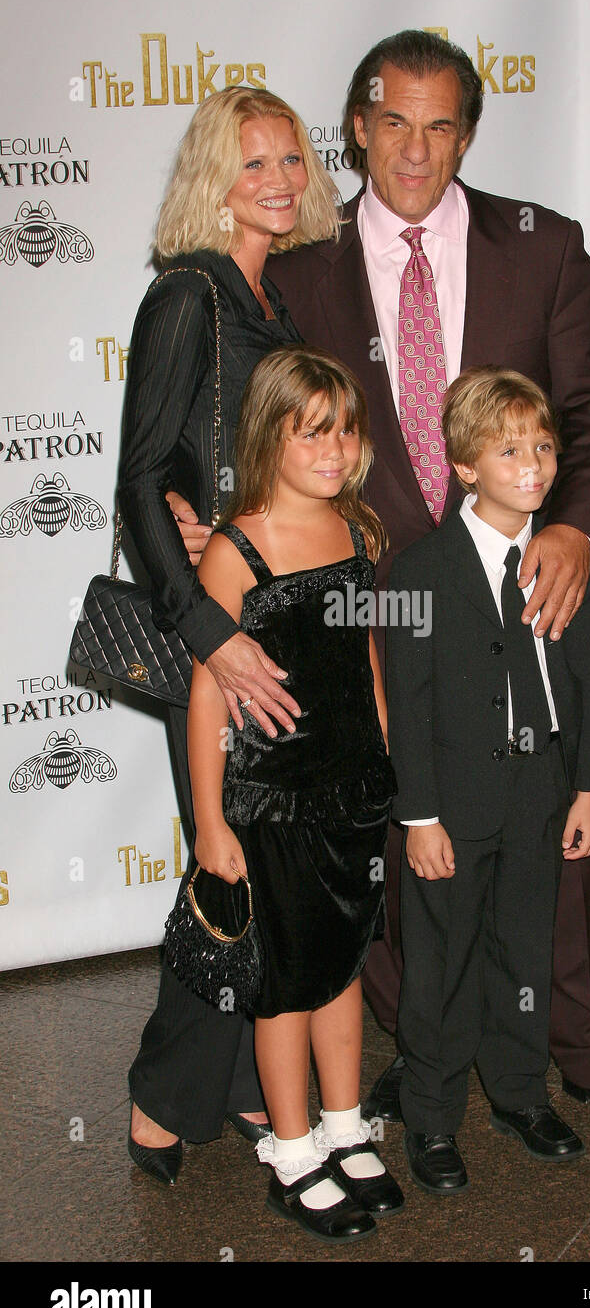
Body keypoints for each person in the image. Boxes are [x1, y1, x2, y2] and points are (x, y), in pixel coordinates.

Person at [265, 29, 590, 1150]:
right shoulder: (303, 272)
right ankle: (427, 1042)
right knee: (414, 823)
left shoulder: (539, 250)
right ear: (356, 124)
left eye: (442, 124)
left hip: (527, 581)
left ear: (470, 133)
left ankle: (588, 1046)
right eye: (394, 120)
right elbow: (269, 438)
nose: (416, 147)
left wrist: (578, 529)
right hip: (384, 603)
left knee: (555, 834)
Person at [119, 85, 342, 1185]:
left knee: (274, 856)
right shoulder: (189, 296)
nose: (278, 182)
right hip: (220, 625)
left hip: (277, 612)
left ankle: (258, 1076)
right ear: (215, 176)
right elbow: (136, 478)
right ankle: (167, 1094)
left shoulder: (273, 297)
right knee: (231, 855)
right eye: (253, 163)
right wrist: (211, 633)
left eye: (290, 161)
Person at [186, 344, 402, 1242]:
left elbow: (367, 655)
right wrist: (208, 820)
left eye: (346, 431)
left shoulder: (357, 530)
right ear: (268, 434)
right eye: (312, 432)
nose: (335, 448)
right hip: (272, 801)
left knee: (344, 962)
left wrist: (385, 748)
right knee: (283, 983)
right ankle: (292, 1145)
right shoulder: (239, 547)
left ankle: (348, 1124)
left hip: (351, 789)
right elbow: (208, 689)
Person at [386, 368, 590, 1190]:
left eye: (544, 446)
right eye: (509, 448)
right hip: (452, 798)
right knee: (441, 962)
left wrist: (584, 787)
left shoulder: (561, 557)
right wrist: (419, 817)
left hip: (539, 788)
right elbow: (406, 709)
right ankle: (433, 1116)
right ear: (465, 466)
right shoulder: (419, 571)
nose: (534, 464)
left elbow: (585, 674)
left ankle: (520, 1092)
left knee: (525, 948)